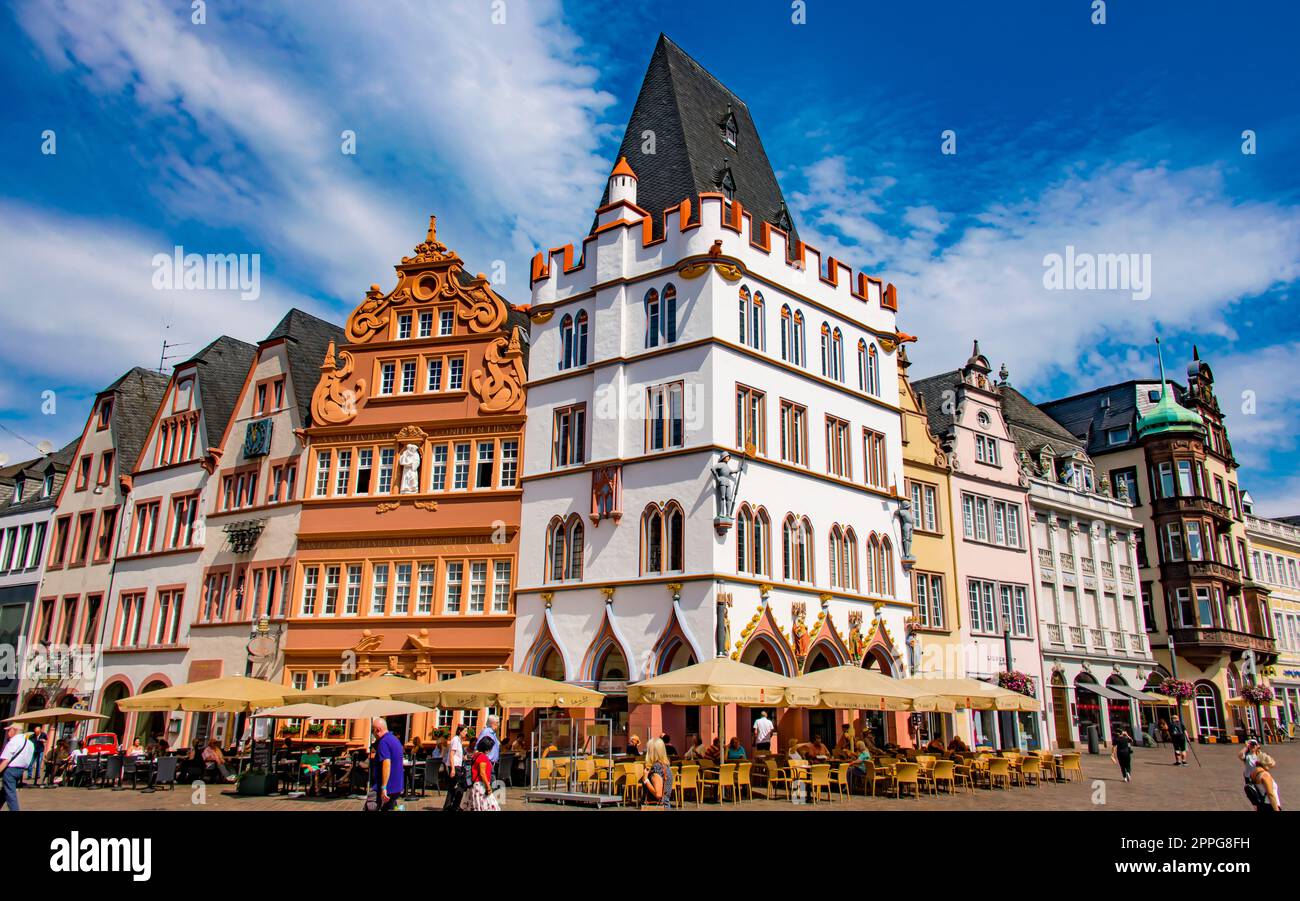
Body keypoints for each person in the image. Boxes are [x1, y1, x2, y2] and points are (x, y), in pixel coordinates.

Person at [370, 717, 404, 811]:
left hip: (386, 787)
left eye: (373, 730)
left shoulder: (383, 742)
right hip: (396, 786)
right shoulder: (395, 740)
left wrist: (383, 787)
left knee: (370, 807)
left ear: (378, 730)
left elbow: (386, 764)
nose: (372, 733)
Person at [0, 722, 34, 810]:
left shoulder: (13, 741)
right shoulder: (30, 743)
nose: (7, 733)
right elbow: (29, 761)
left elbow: (6, 760)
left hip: (10, 770)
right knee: (5, 791)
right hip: (20, 771)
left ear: (14, 731)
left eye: (9, 730)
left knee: (10, 795)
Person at [463, 736, 500, 811]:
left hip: (475, 785)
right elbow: (482, 773)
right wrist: (488, 786)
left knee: (477, 807)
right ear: (488, 748)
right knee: (491, 807)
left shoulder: (476, 755)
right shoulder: (482, 757)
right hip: (480, 786)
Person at [1241, 744, 1282, 811]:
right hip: (1270, 805)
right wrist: (1276, 809)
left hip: (1261, 805)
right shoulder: (1265, 775)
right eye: (1269, 766)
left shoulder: (1253, 773)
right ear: (1265, 764)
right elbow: (1270, 794)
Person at [641, 737, 674, 809]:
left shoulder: (656, 768)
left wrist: (646, 780)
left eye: (648, 750)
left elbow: (658, 794)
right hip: (665, 806)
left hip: (656, 807)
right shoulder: (666, 766)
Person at [442, 724, 467, 811]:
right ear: (460, 731)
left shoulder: (459, 741)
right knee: (460, 786)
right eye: (464, 731)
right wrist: (452, 769)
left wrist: (463, 757)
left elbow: (457, 754)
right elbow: (451, 755)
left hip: (458, 765)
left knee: (453, 787)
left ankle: (449, 806)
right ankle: (454, 806)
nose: (466, 733)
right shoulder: (455, 740)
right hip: (455, 766)